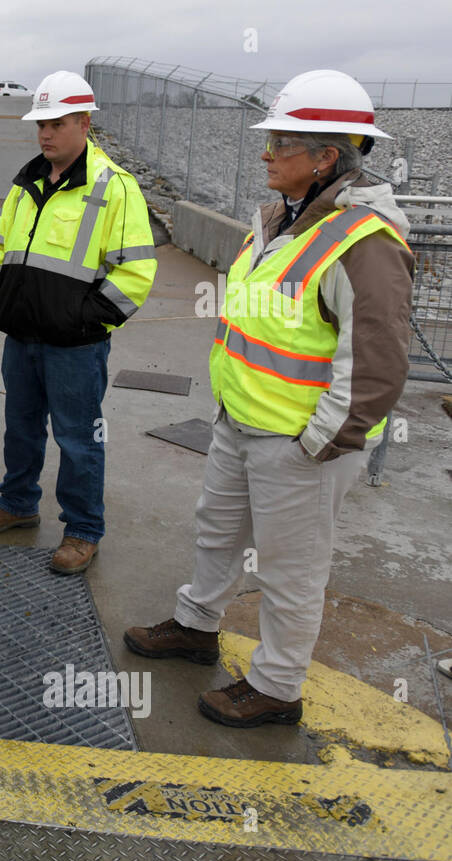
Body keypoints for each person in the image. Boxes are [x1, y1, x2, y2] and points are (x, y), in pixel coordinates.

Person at [124, 70, 414, 728]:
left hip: (301, 445)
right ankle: (197, 625)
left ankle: (278, 687)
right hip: (241, 421)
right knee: (217, 533)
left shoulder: (364, 241)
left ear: (324, 159)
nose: (265, 153)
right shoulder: (280, 219)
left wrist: (322, 441)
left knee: (290, 570)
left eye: (280, 142)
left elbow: (376, 362)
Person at [0, 70, 157, 575]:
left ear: (84, 122)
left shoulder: (113, 187)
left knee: (78, 438)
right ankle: (18, 504)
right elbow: (1, 244)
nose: (45, 133)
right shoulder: (27, 181)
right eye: (41, 123)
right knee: (20, 428)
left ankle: (82, 529)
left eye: (56, 122)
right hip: (21, 336)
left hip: (76, 347)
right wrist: (1, 298)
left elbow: (136, 272)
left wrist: (85, 322)